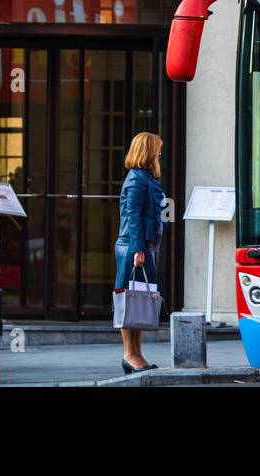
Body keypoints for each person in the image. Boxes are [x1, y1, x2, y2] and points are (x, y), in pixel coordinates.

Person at [115, 131, 167, 374]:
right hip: (133, 247)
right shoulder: (136, 179)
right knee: (130, 300)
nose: (159, 153)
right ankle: (129, 354)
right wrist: (138, 249)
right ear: (148, 151)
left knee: (139, 301)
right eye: (157, 149)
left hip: (143, 246)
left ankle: (137, 353)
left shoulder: (145, 177)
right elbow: (133, 216)